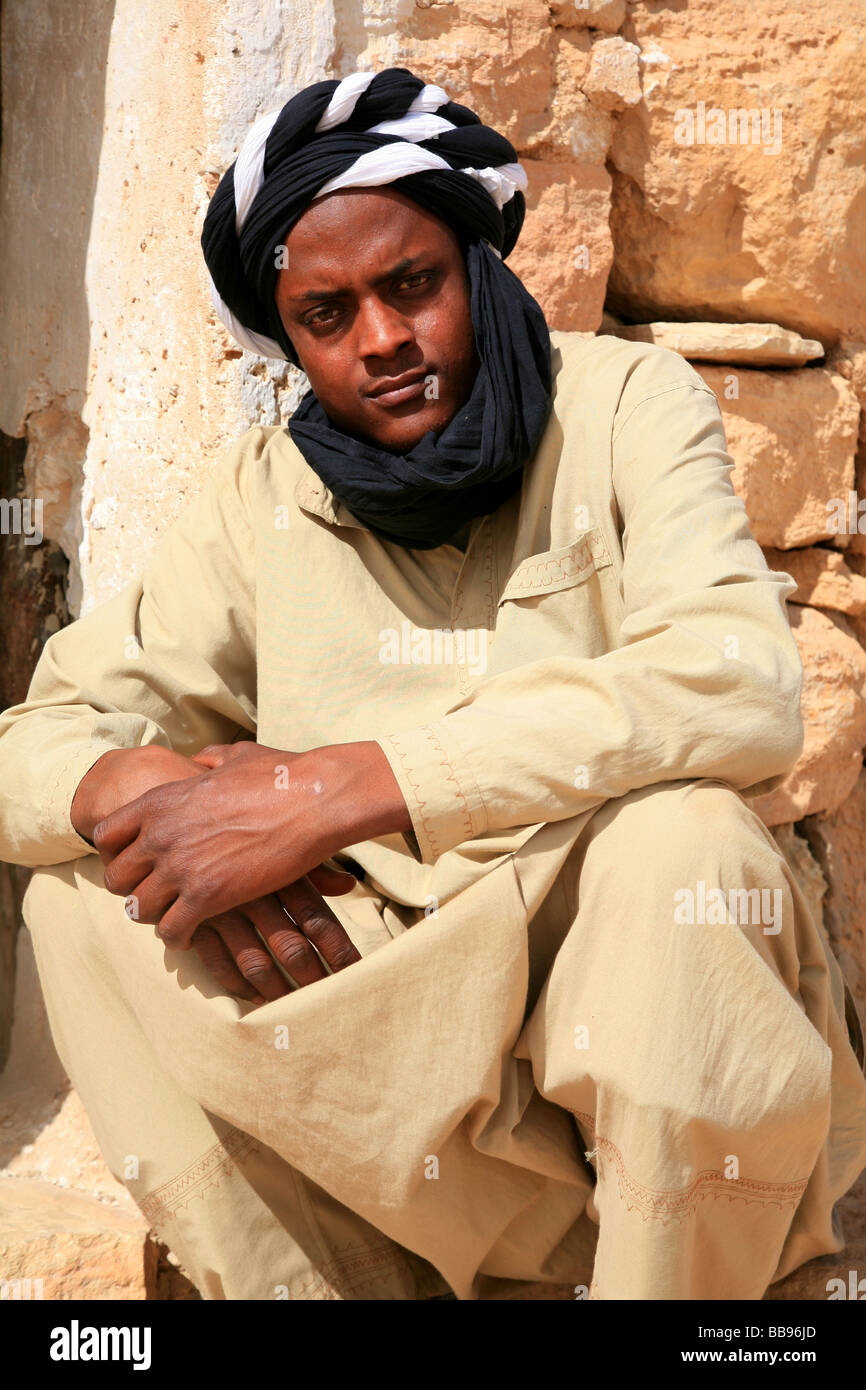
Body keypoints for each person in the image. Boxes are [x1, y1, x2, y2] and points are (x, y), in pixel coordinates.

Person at [1, 66, 865, 1301]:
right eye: (328, 314)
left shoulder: (623, 407)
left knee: (685, 847)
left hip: (626, 1048)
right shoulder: (261, 496)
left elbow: (736, 685)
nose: (384, 341)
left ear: (474, 266)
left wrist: (337, 790)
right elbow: (29, 745)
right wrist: (147, 793)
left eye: (412, 285)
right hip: (395, 1062)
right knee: (84, 888)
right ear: (287, 334)